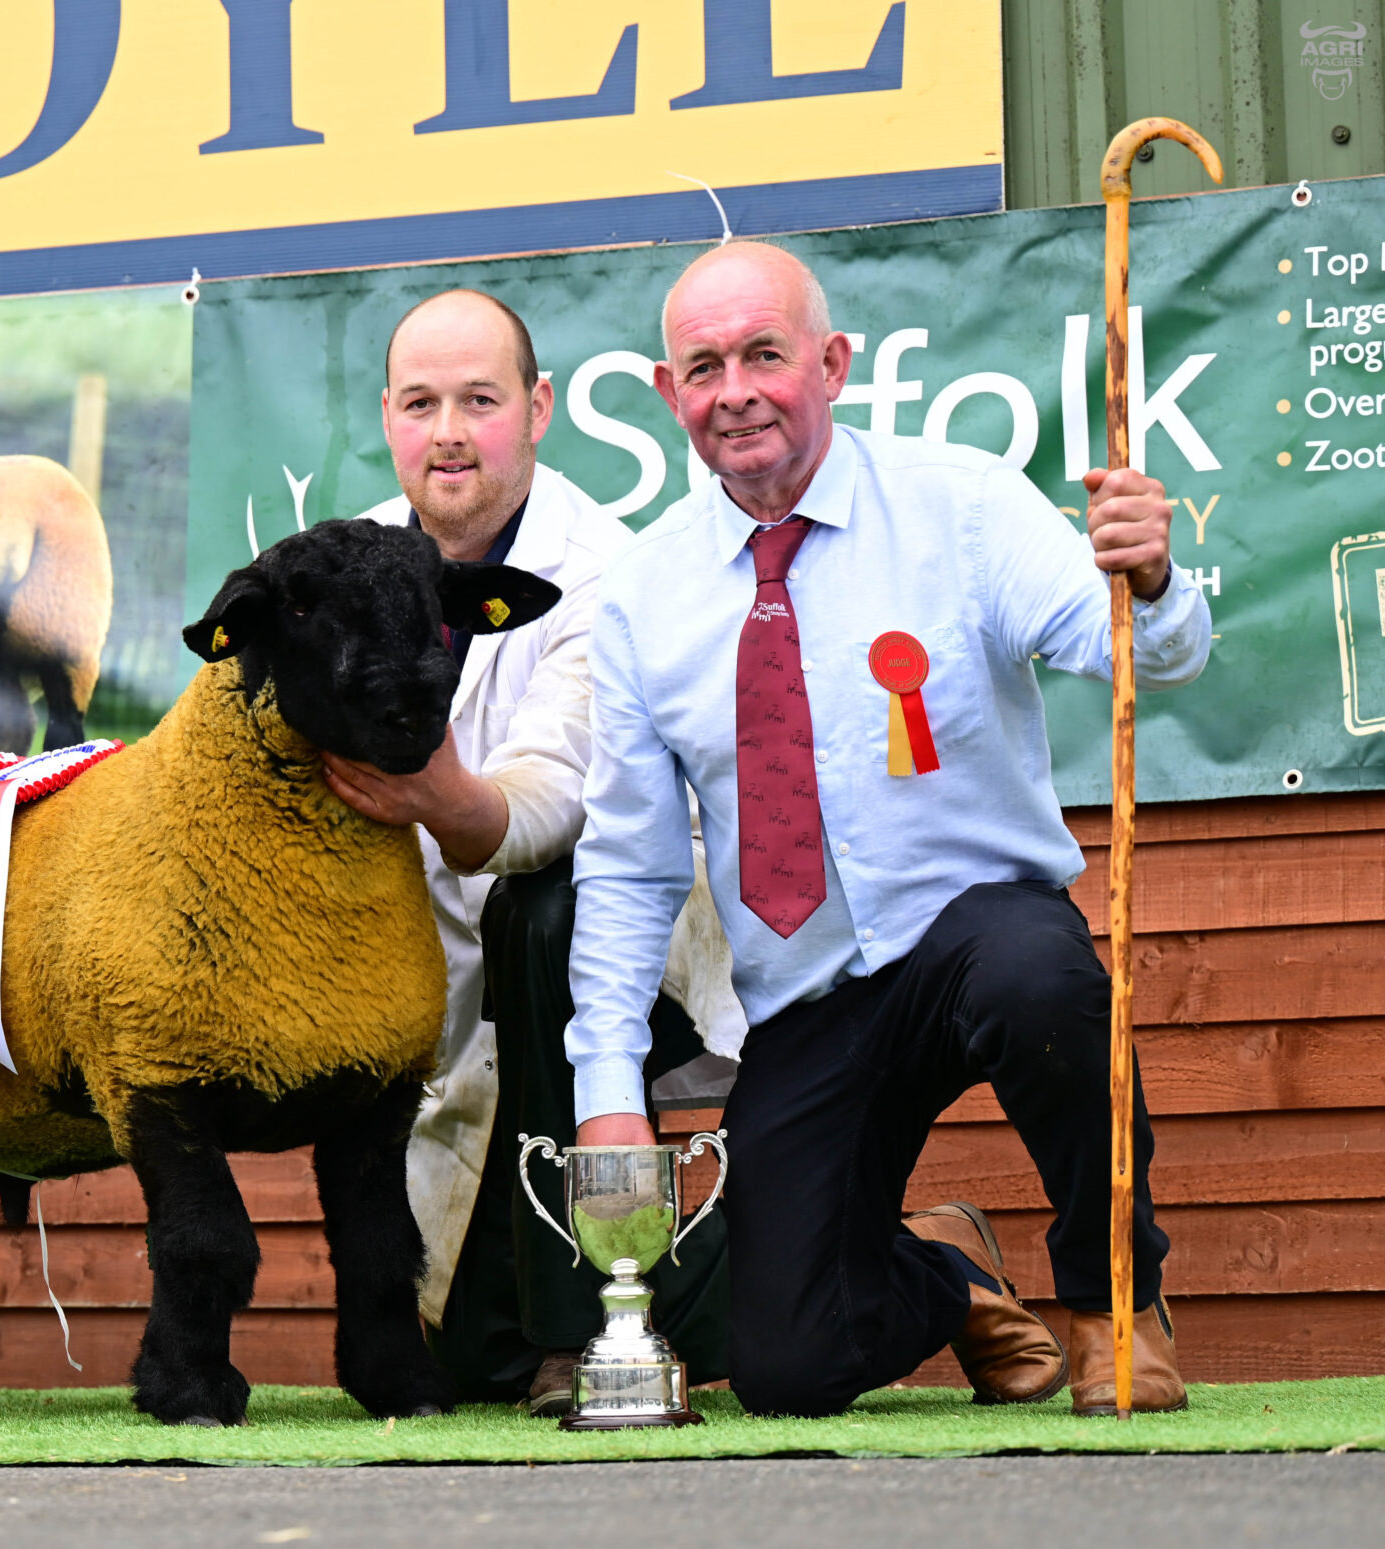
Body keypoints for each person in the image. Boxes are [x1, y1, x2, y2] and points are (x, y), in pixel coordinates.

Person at [567, 240, 1208, 1416]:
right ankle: (951, 1278)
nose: (736, 391)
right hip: (809, 994)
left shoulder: (959, 505)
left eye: (765, 354)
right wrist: (606, 1077)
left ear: (832, 363)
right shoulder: (641, 596)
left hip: (977, 936)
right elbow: (628, 864)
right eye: (703, 368)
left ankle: (1114, 1294)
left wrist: (1152, 581)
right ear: (669, 397)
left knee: (1040, 980)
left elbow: (1133, 657)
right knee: (784, 1369)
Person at [318, 288, 736, 1408]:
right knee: (462, 1367)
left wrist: (433, 789)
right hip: (448, 1013)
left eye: (479, 400)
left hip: (606, 984)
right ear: (389, 417)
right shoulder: (345, 572)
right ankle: (875, 1261)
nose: (447, 430)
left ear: (539, 408)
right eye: (420, 402)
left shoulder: (609, 571)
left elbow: (549, 808)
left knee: (540, 904)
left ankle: (580, 1331)